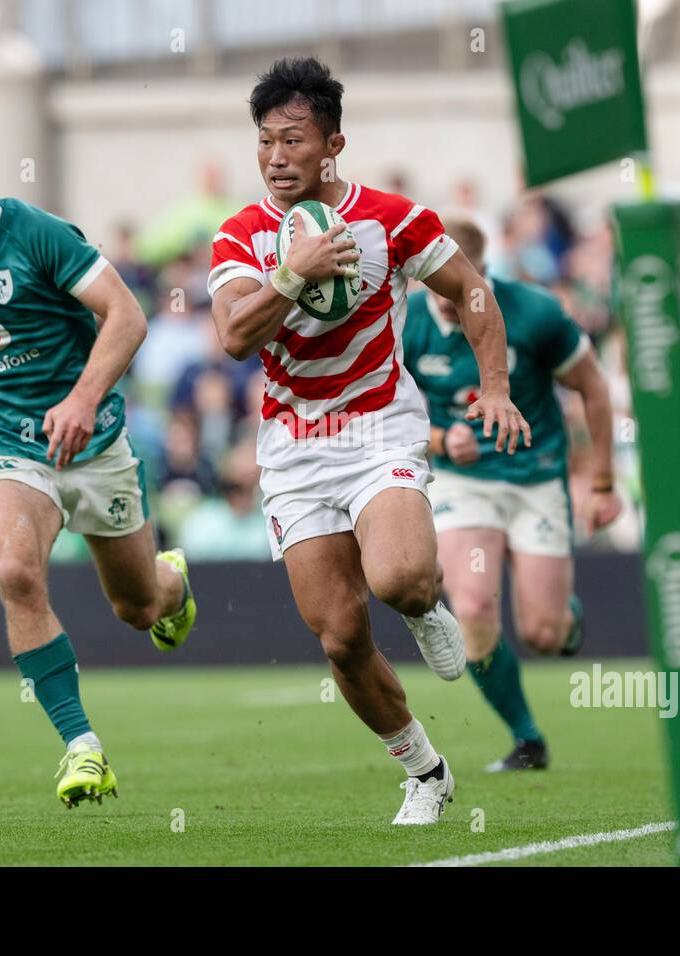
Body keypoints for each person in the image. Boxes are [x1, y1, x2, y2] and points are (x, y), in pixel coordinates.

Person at [207, 58, 529, 825]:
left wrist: (494, 387)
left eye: (293, 140)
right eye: (264, 142)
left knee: (400, 580)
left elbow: (472, 290)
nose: (277, 157)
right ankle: (425, 770)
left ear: (333, 144)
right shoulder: (242, 234)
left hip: (378, 422)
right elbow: (230, 337)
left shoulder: (392, 218)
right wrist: (293, 275)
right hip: (292, 445)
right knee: (341, 636)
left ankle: (425, 608)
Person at [0, 135, 196, 809]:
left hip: (96, 444)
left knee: (138, 607)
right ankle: (82, 747)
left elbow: (127, 316)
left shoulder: (40, 236)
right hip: (6, 450)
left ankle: (173, 585)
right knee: (17, 572)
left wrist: (82, 399)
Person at [403, 216, 619, 772]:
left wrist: (601, 483)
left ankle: (564, 616)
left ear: (485, 273)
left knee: (543, 634)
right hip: (462, 482)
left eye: (463, 289)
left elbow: (593, 387)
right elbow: (376, 415)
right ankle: (528, 739)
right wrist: (438, 441)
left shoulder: (536, 313)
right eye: (440, 288)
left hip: (537, 476)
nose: (451, 302)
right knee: (472, 604)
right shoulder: (403, 323)